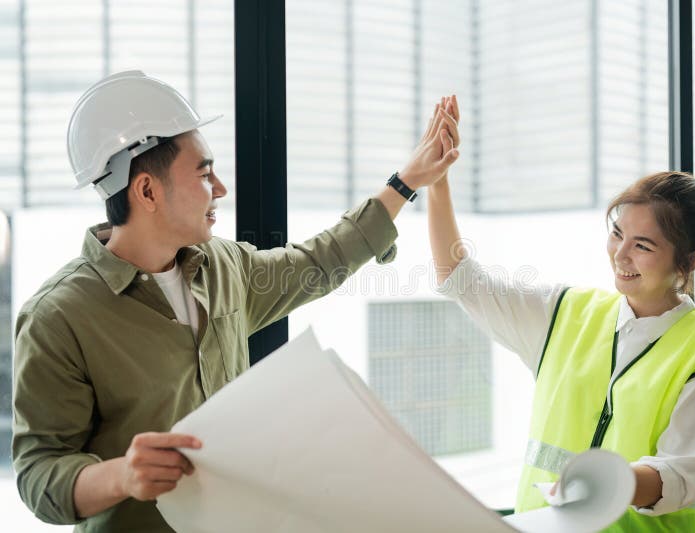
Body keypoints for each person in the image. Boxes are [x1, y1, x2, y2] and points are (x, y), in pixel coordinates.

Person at [12, 71, 459, 531]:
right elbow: (38, 471)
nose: (221, 188)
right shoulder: (58, 316)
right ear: (146, 190)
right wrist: (122, 475)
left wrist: (407, 182)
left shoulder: (223, 266)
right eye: (205, 173)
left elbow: (318, 262)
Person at [428, 95, 695, 531]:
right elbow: (461, 279)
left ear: (690, 260)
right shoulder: (566, 313)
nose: (621, 254)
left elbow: (679, 476)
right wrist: (438, 181)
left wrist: (606, 481)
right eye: (618, 234)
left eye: (643, 245)